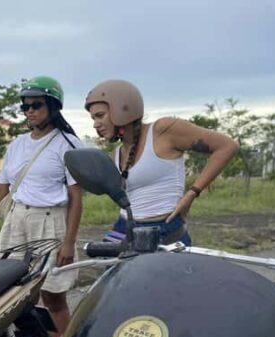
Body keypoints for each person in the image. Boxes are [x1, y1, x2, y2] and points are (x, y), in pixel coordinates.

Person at [84, 79, 239, 245]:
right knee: (107, 268)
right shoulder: (117, 154)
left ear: (123, 108)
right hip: (123, 227)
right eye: (93, 118)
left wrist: (192, 193)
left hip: (163, 227)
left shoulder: (162, 131)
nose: (95, 124)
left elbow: (227, 146)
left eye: (100, 116)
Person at [0, 76, 83, 335]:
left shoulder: (69, 145)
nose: (29, 111)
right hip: (16, 219)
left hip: (50, 223)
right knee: (11, 294)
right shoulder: (17, 145)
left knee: (52, 297)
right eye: (25, 106)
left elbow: (76, 198)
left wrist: (69, 242)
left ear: (53, 106)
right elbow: (0, 190)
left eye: (36, 105)